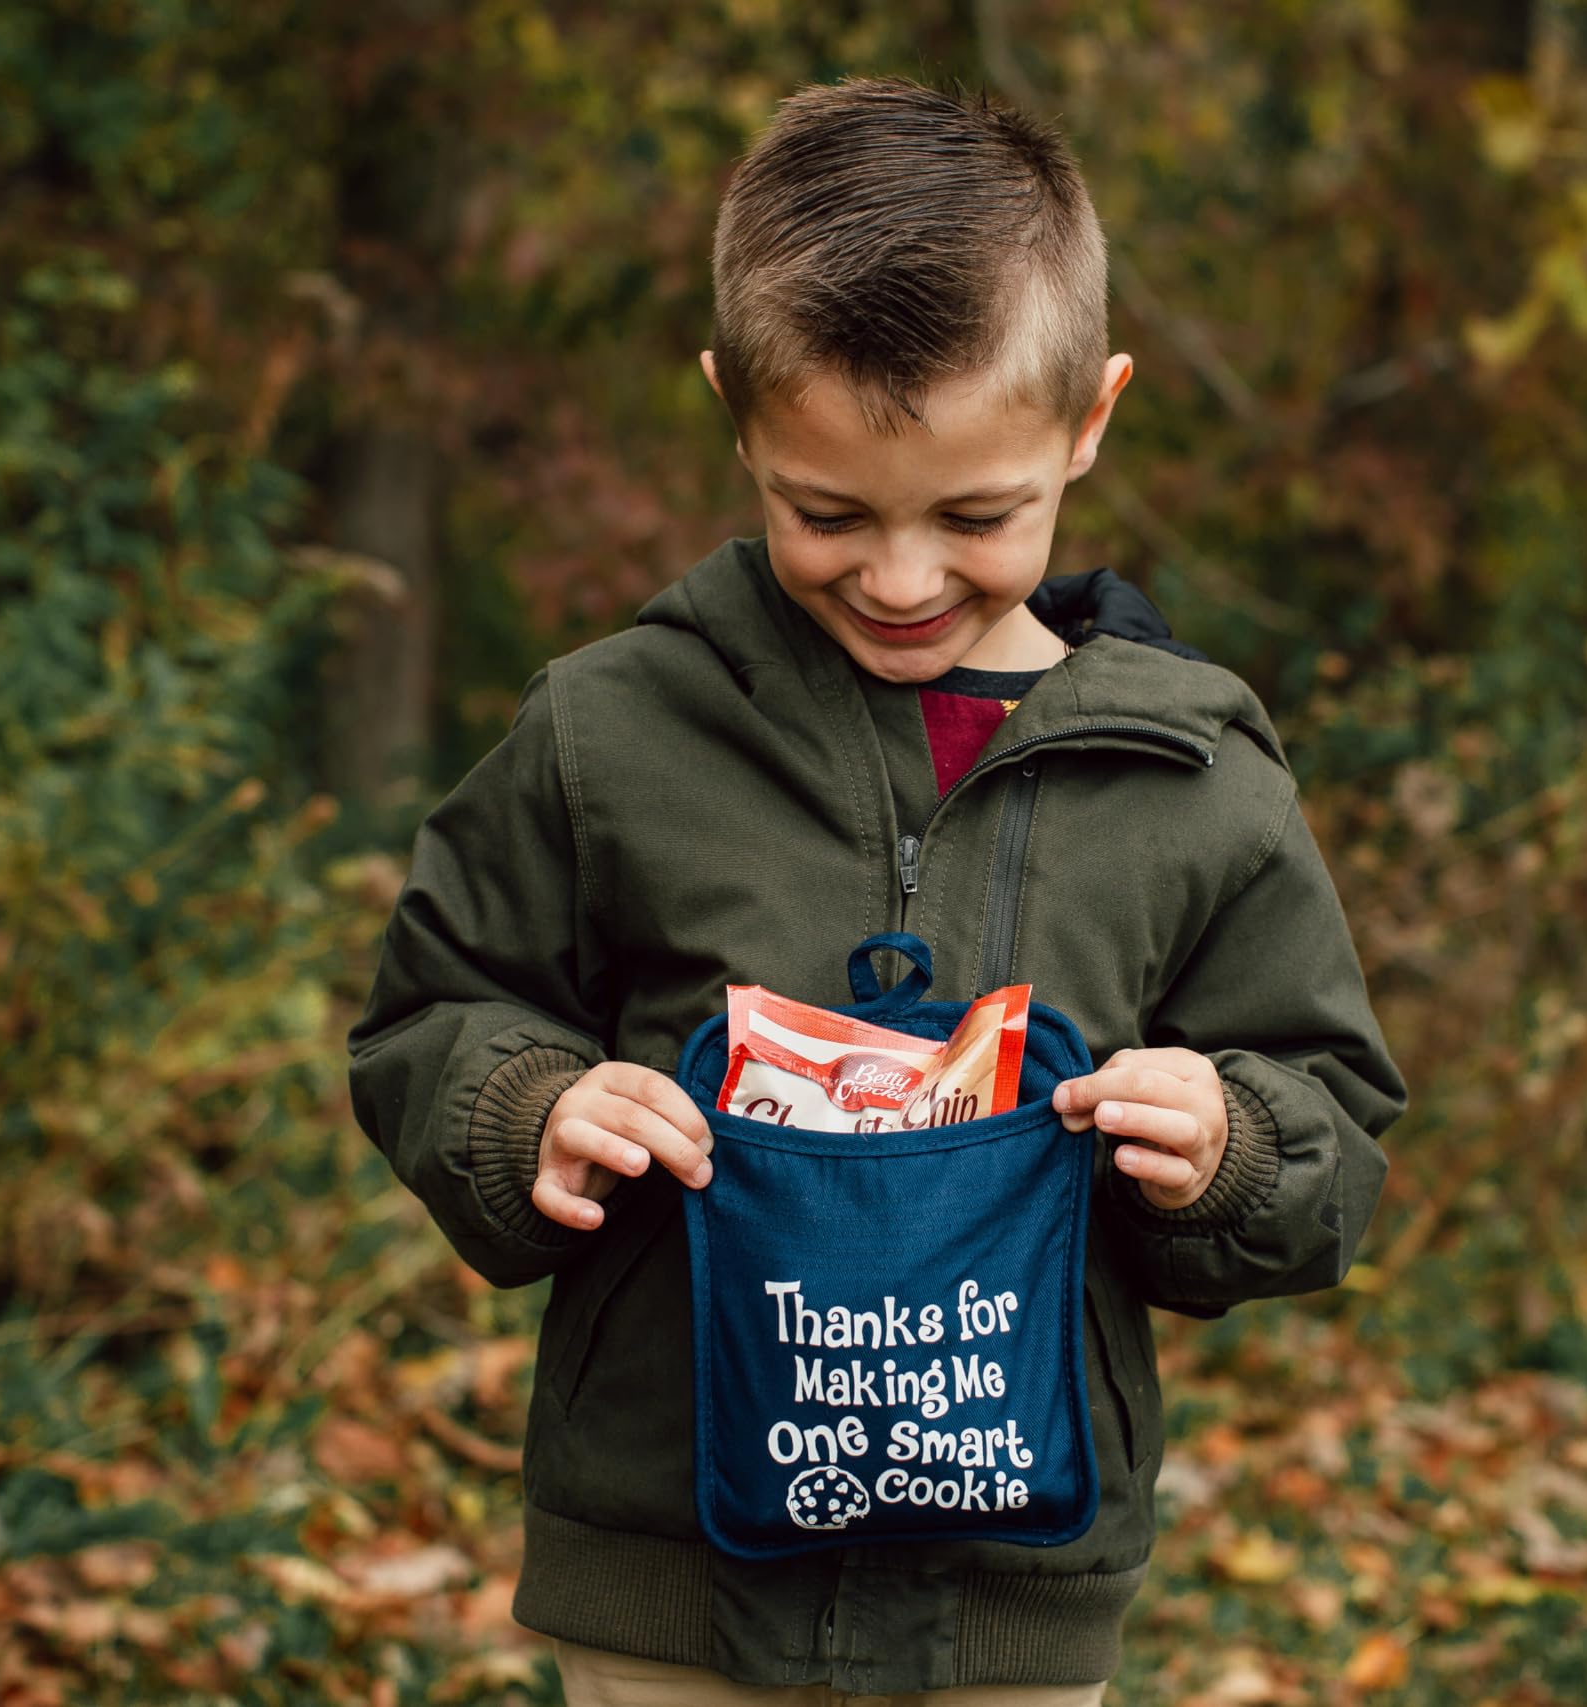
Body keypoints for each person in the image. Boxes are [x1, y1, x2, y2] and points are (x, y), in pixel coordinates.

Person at [347, 75, 1407, 1706]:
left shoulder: (1192, 777)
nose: (901, 579)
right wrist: (527, 1112)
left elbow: (1331, 1124)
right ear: (736, 413)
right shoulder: (614, 728)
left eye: (979, 516)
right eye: (824, 512)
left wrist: (1230, 1145)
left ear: (1091, 421)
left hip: (1014, 1599)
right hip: (665, 1587)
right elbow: (435, 1009)